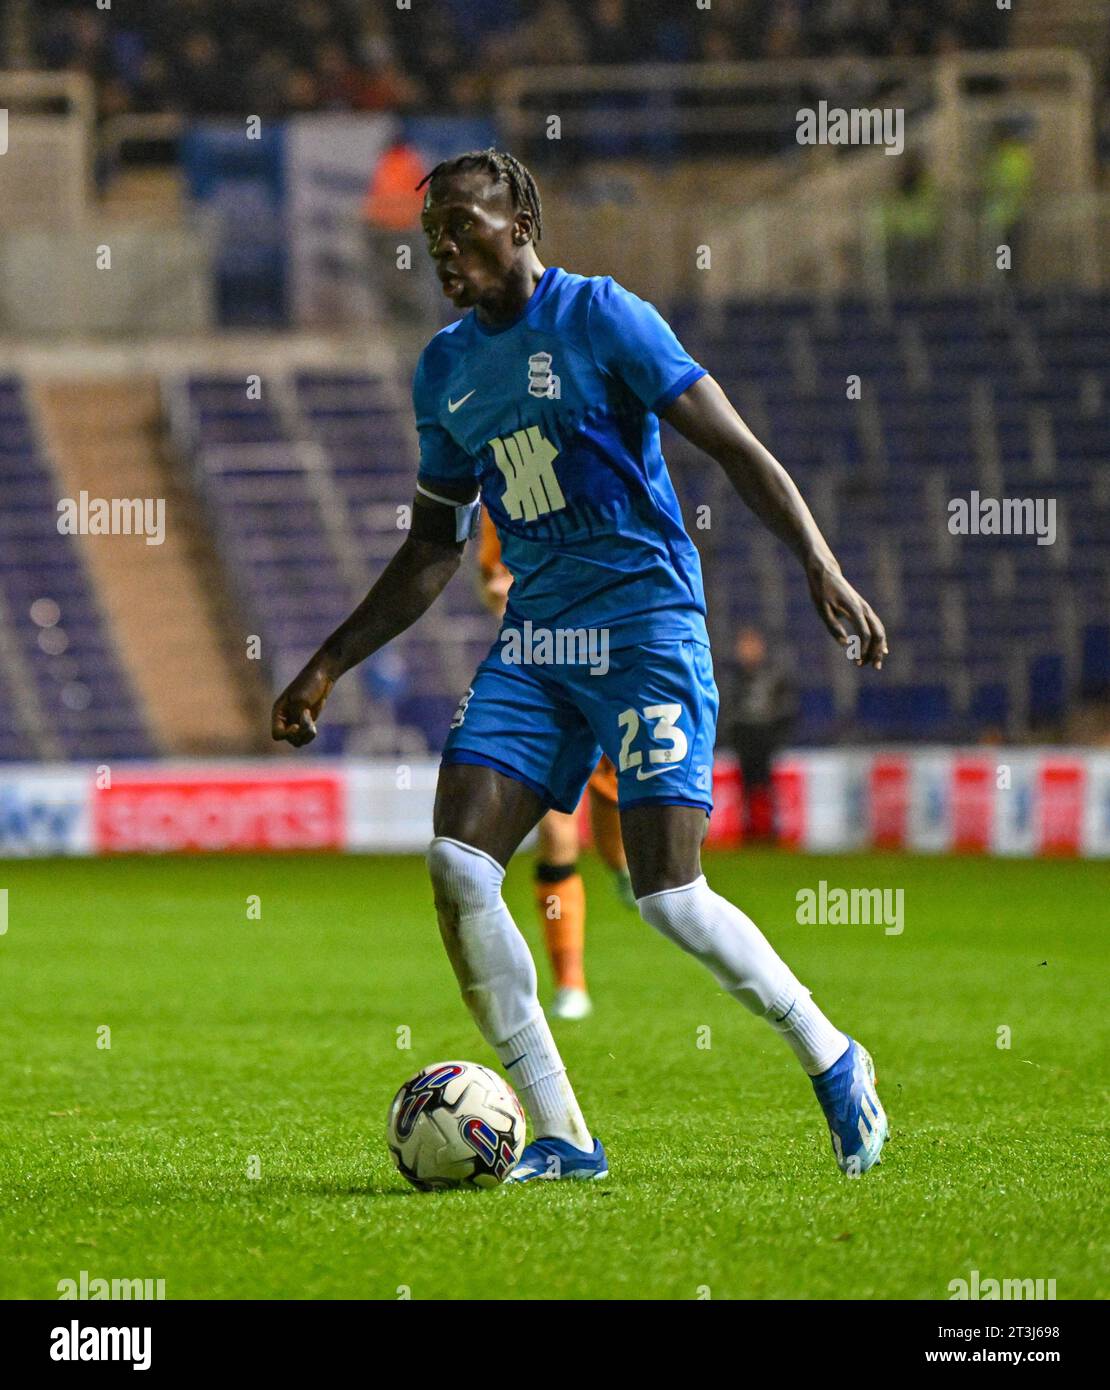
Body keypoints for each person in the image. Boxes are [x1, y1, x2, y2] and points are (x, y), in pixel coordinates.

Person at [273, 148, 890, 1182]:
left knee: (667, 897)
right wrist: (326, 664)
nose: (443, 250)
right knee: (458, 863)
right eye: (431, 239)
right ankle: (562, 1132)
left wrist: (821, 564)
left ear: (520, 222)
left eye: (461, 226)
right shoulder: (444, 370)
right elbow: (433, 546)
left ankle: (831, 1054)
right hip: (538, 644)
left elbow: (736, 447)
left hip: (647, 625)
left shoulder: (607, 319)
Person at [477, 508, 634, 1021]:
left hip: (607, 669)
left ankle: (624, 869)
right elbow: (493, 582)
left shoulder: (598, 487)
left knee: (617, 826)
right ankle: (571, 983)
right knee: (557, 834)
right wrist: (501, 594)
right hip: (541, 677)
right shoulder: (500, 503)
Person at [724, 625, 797, 840]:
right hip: (744, 740)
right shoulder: (734, 678)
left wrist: (775, 735)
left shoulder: (772, 675)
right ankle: (748, 831)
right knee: (745, 789)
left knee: (765, 788)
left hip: (765, 740)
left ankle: (770, 831)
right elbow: (727, 709)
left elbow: (787, 706)